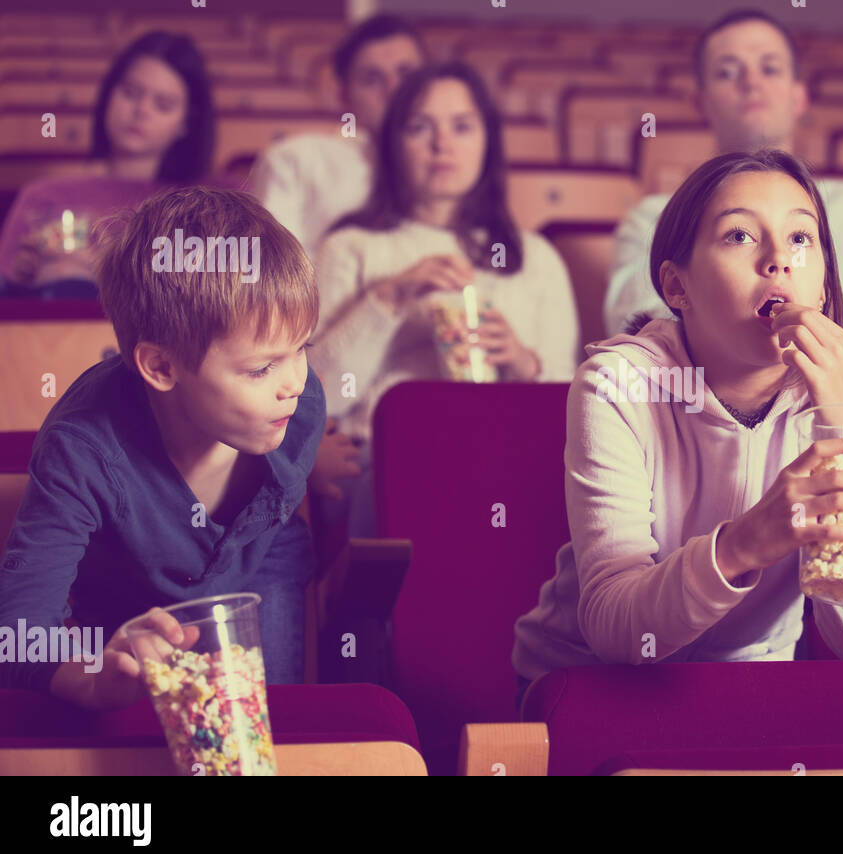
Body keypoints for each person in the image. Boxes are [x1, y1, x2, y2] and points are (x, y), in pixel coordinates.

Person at [512, 149, 843, 710]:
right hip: (591, 686)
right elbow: (612, 625)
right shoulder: (619, 384)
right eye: (739, 237)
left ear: (822, 286)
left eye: (801, 239)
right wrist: (744, 544)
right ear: (677, 289)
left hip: (752, 687)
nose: (780, 260)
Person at [0, 187, 325, 705]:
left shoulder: (299, 403)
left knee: (267, 729)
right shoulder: (82, 449)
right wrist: (89, 675)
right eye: (261, 367)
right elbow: (19, 634)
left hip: (263, 568)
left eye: (301, 347)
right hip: (124, 603)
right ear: (161, 367)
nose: (294, 382)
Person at [605, 8, 843, 380]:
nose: (751, 83)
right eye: (727, 72)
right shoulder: (652, 219)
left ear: (799, 97)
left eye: (770, 68)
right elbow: (639, 337)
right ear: (702, 102)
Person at [307, 62, 580, 537]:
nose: (442, 144)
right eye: (419, 127)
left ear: (488, 143)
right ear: (392, 144)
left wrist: (524, 364)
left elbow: (575, 410)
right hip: (383, 457)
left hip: (504, 457)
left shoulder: (535, 257)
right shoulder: (351, 246)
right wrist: (387, 298)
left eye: (462, 126)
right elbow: (317, 397)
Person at [0, 31, 217, 294]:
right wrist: (23, 279)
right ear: (108, 96)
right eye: (131, 93)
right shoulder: (45, 196)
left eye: (163, 104)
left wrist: (106, 266)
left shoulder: (210, 205)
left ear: (186, 123)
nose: (142, 110)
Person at [248, 14, 426, 258]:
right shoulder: (293, 160)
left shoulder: (455, 165)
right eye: (372, 79)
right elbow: (275, 278)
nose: (394, 90)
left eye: (406, 74)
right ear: (343, 96)